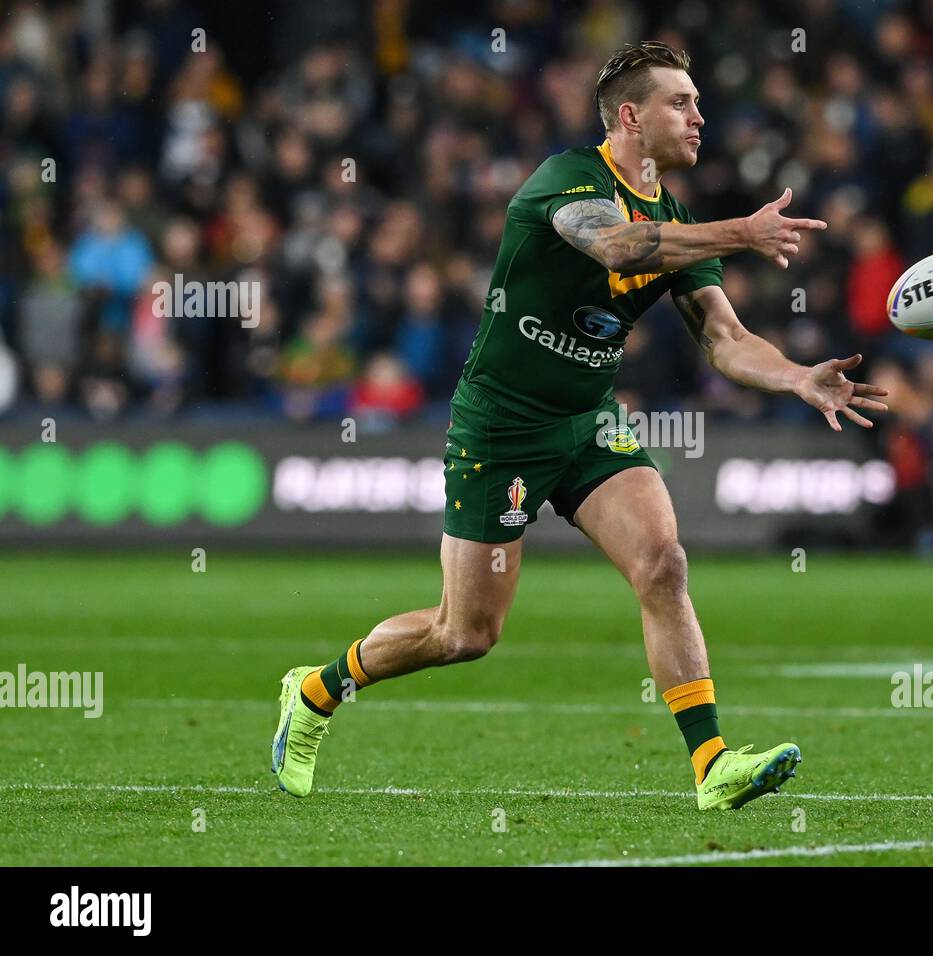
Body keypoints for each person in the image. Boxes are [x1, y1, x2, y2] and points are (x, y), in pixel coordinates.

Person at [271, 41, 889, 810]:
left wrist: (799, 377)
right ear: (631, 116)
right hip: (501, 428)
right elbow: (618, 244)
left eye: (698, 101)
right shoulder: (567, 179)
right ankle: (318, 693)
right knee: (465, 634)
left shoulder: (678, 215)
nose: (701, 115)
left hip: (588, 422)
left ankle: (712, 766)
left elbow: (725, 340)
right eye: (681, 103)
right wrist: (744, 231)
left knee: (662, 563)